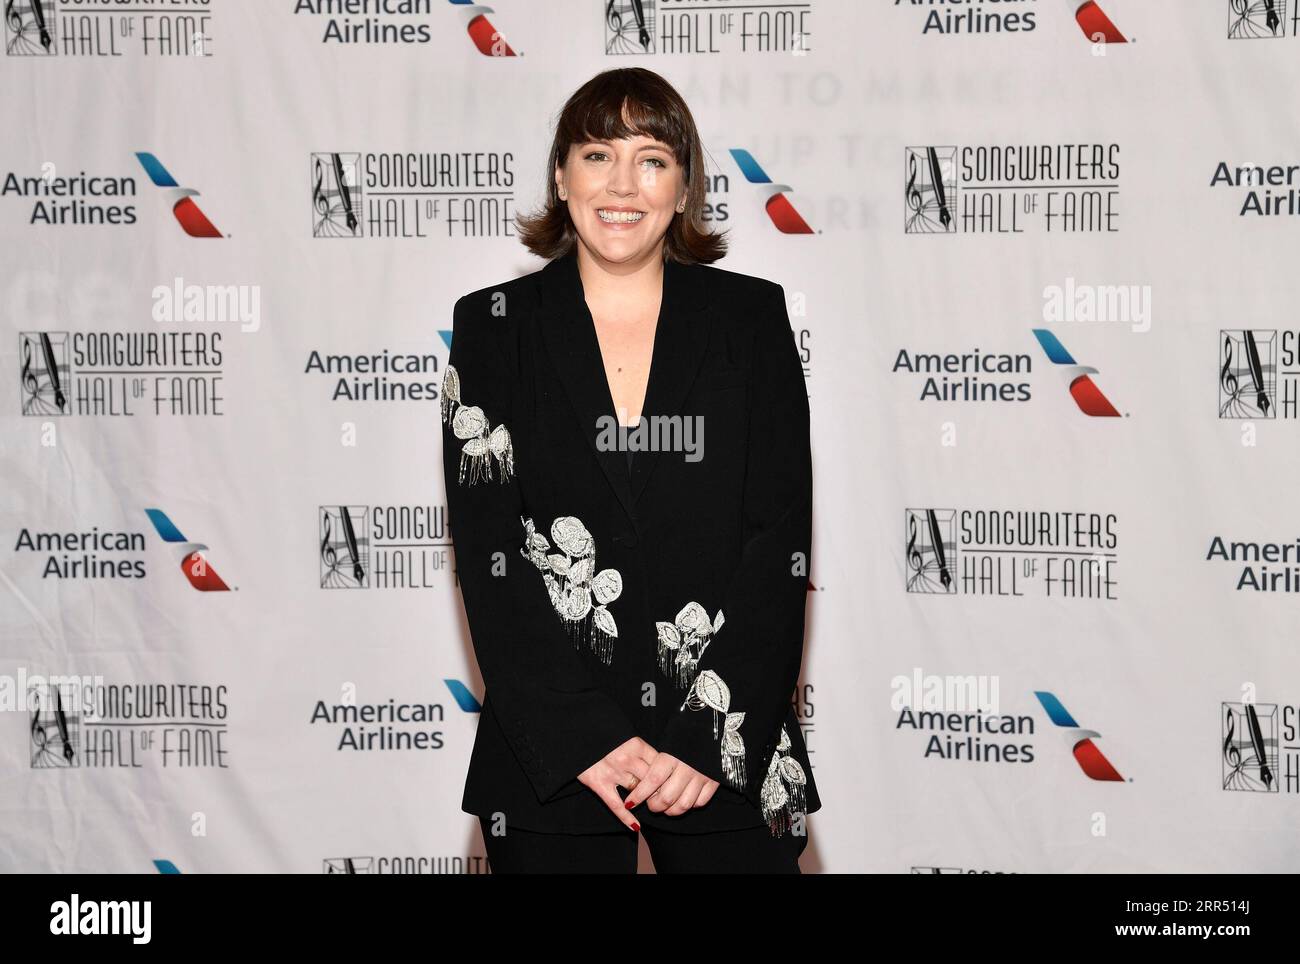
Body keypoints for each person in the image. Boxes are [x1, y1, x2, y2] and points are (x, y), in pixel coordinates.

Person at [440, 66, 820, 873]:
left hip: (726, 740)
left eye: (651, 159)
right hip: (552, 755)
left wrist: (705, 736)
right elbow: (490, 555)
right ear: (560, 175)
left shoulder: (751, 321)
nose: (622, 185)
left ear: (683, 190)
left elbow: (779, 545)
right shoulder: (491, 330)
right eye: (596, 155)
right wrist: (586, 737)